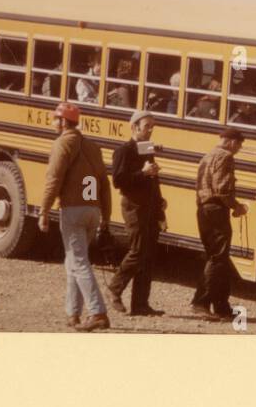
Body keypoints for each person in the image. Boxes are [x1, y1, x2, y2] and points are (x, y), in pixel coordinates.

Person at [38, 102, 112, 332]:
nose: (52, 123)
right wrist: (106, 215)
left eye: (55, 119)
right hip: (93, 210)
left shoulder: (62, 144)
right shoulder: (92, 146)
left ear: (62, 122)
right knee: (73, 261)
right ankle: (73, 313)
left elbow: (54, 179)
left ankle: (97, 311)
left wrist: (44, 210)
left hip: (72, 210)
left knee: (78, 262)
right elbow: (103, 183)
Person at [106, 110, 166, 316]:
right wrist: (143, 173)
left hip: (149, 206)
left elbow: (154, 181)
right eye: (147, 126)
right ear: (134, 127)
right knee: (138, 250)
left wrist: (160, 210)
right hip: (133, 206)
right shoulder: (123, 151)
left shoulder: (146, 149)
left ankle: (140, 304)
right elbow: (118, 181)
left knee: (148, 256)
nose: (150, 130)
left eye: (152, 127)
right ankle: (115, 287)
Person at [192, 127, 248, 321]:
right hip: (216, 210)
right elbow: (222, 190)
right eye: (239, 144)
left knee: (217, 258)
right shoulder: (226, 157)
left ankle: (222, 306)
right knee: (218, 258)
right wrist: (237, 206)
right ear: (231, 141)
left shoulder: (207, 156)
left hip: (203, 209)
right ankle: (201, 302)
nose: (239, 148)